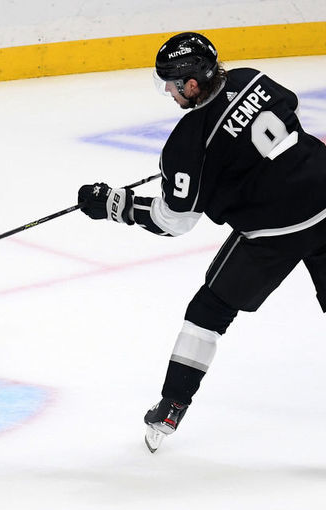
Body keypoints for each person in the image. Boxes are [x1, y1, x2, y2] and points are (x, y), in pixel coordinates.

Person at [76, 32, 326, 452]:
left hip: (274, 233)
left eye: (171, 84)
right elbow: (290, 114)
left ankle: (172, 407)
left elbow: (173, 221)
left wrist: (115, 204)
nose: (169, 93)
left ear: (192, 84)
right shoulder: (252, 77)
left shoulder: (187, 145)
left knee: (207, 312)